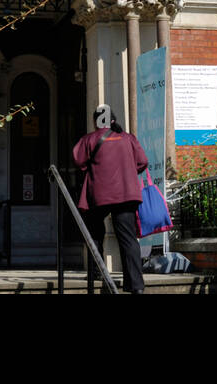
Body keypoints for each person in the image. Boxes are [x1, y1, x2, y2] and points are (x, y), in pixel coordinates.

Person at [71, 104, 148, 294]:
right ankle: (136, 285)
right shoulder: (128, 138)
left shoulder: (89, 139)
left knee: (95, 233)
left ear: (96, 121)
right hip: (127, 194)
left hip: (99, 194)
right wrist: (128, 171)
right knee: (129, 239)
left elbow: (78, 161)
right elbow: (142, 162)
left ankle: (96, 273)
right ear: (113, 119)